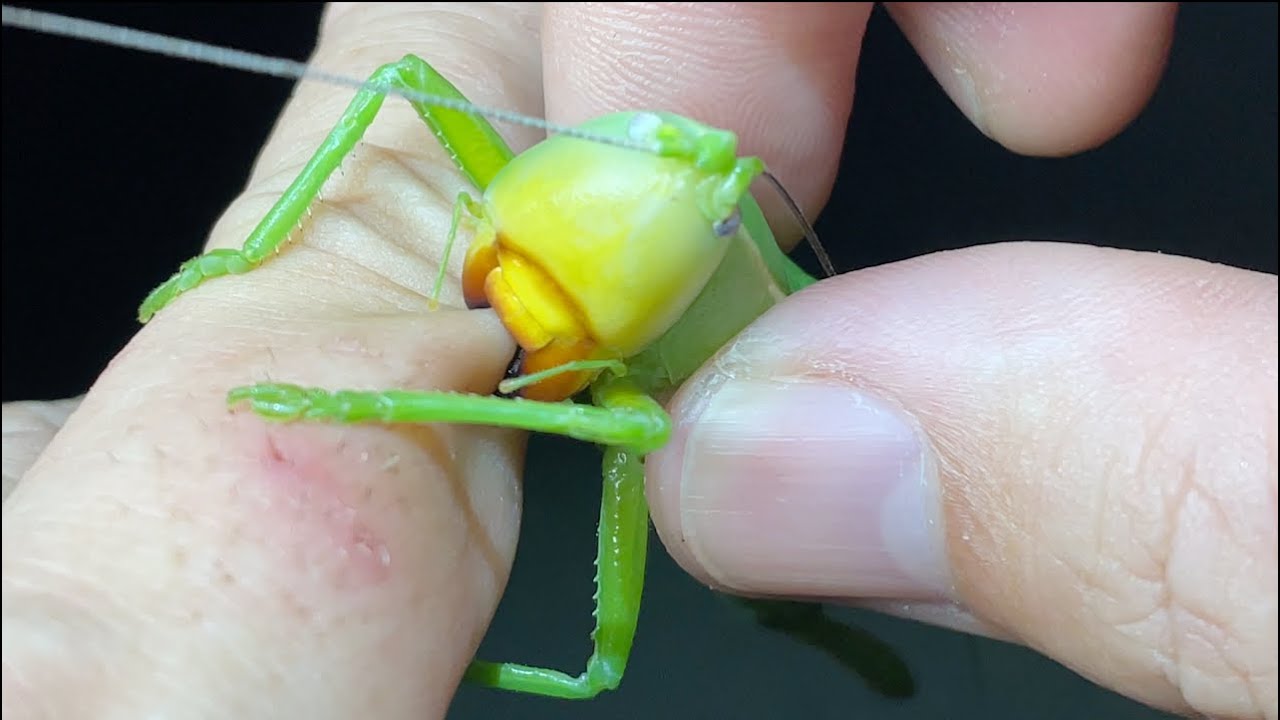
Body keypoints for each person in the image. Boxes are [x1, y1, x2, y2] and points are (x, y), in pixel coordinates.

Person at [2, 3, 1274, 718]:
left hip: (712, 374)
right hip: (615, 285)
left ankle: (811, 631)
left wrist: (356, 405)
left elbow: (630, 434)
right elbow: (401, 68)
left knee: (612, 610)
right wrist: (236, 271)